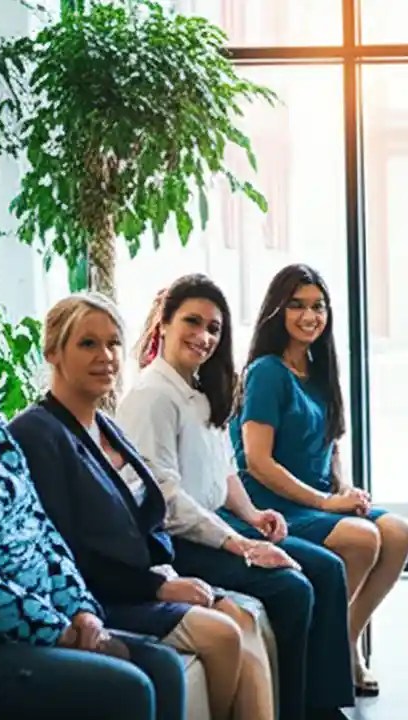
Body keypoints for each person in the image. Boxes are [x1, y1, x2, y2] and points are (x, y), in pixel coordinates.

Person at [8, 292, 271, 720]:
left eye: (113, 343)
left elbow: (147, 516)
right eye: (88, 343)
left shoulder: (105, 425)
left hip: (144, 578)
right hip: (101, 596)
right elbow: (64, 552)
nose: (106, 356)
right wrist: (156, 588)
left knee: (244, 622)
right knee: (223, 635)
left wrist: (167, 575)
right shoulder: (36, 433)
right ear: (53, 351)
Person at [119, 274, 357, 719]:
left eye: (214, 328)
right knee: (290, 588)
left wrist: (253, 514)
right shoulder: (152, 396)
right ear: (164, 323)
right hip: (178, 543)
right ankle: (294, 712)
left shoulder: (199, 390)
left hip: (215, 527)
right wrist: (239, 543)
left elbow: (225, 469)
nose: (204, 336)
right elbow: (165, 500)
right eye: (192, 322)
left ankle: (322, 707)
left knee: (327, 569)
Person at [0, 294, 186, 720]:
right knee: (127, 687)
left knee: (164, 668)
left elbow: (45, 535)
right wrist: (59, 629)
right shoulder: (35, 430)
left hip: (51, 618)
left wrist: (82, 610)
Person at [229, 263, 408, 697]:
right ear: (277, 310)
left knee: (398, 532)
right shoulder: (267, 372)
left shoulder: (320, 369)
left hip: (316, 500)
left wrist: (344, 490)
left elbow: (330, 447)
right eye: (297, 305)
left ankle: (344, 638)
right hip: (271, 505)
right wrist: (326, 503)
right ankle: (328, 648)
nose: (309, 316)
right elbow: (257, 461)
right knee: (362, 539)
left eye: (318, 306)